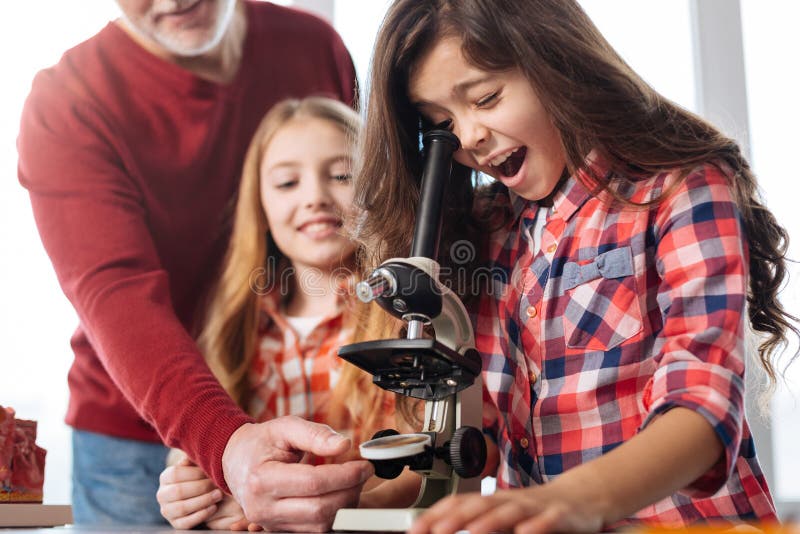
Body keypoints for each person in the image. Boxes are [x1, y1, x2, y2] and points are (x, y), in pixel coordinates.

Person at [351, 0, 800, 532]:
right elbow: (483, 434)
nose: (469, 137)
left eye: (487, 98)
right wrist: (366, 495)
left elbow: (702, 411)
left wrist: (572, 501)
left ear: (553, 63)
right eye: (443, 123)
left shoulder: (681, 188)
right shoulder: (487, 227)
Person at [17, 0, 372, 529]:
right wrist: (225, 445)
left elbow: (381, 200)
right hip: (138, 441)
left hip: (298, 415)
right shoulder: (67, 102)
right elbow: (115, 296)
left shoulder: (314, 48)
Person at [155, 97, 421, 530]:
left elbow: (424, 466)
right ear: (259, 207)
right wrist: (188, 492)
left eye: (341, 175)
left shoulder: (403, 318)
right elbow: (196, 457)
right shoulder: (237, 330)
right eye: (286, 183)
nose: (315, 197)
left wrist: (351, 513)